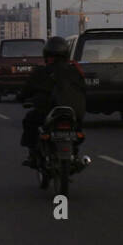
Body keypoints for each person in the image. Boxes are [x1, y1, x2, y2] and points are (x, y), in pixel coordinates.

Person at [20, 36, 87, 167]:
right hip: (74, 112)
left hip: (47, 111)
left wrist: (22, 98)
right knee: (78, 129)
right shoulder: (75, 70)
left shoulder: (41, 71)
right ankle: (75, 154)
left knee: (29, 120)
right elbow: (84, 90)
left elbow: (26, 91)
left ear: (46, 55)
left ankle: (32, 154)